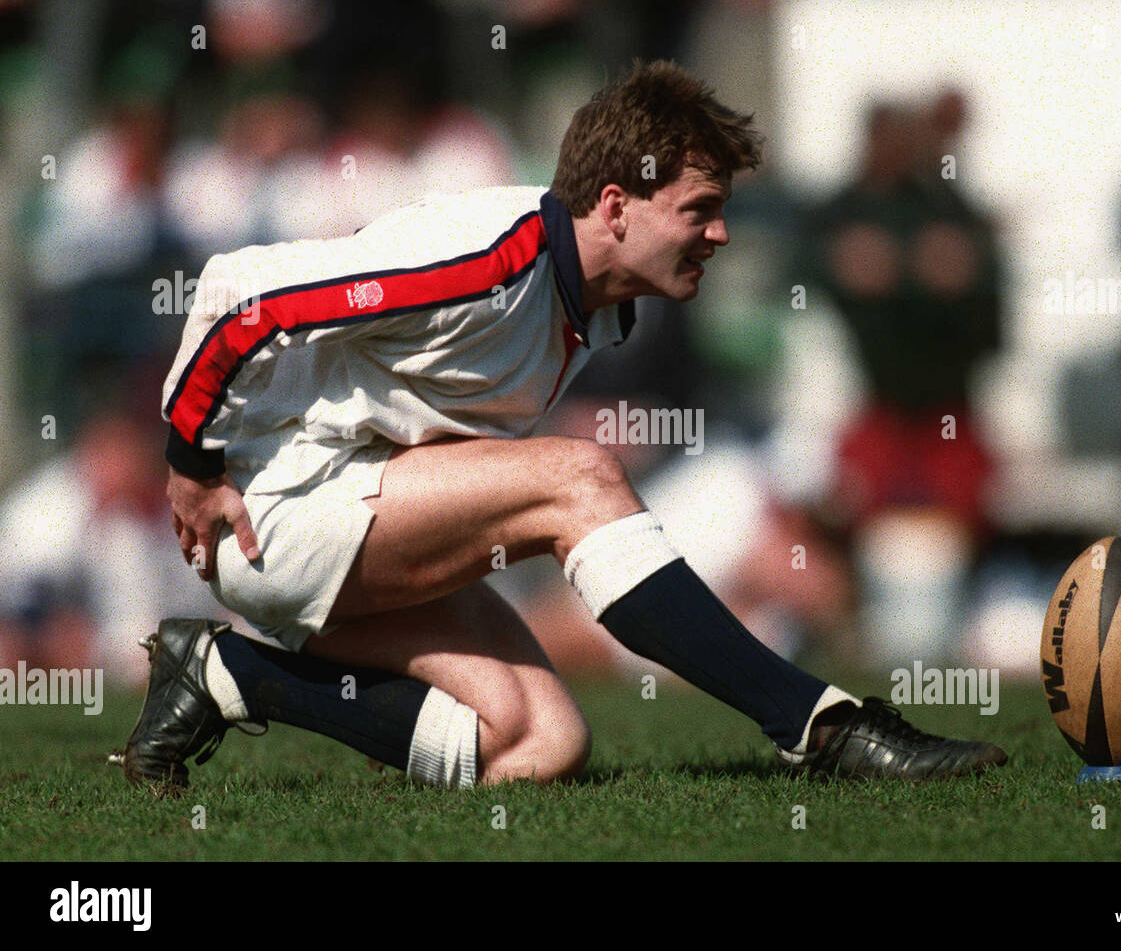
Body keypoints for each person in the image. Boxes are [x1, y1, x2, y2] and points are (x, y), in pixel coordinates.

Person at [116, 61, 1007, 791]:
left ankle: (228, 675)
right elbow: (244, 297)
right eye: (700, 209)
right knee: (577, 478)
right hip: (273, 507)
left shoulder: (597, 305)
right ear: (616, 205)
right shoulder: (491, 255)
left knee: (537, 742)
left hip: (348, 509)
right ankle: (821, 727)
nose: (721, 233)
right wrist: (191, 463)